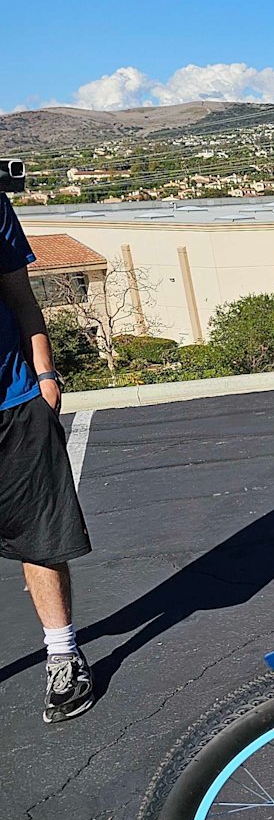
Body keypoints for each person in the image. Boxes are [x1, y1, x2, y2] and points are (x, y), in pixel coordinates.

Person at [0, 191, 94, 722]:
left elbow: (20, 295)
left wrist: (45, 375)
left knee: (40, 536)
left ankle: (63, 655)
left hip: (13, 402)